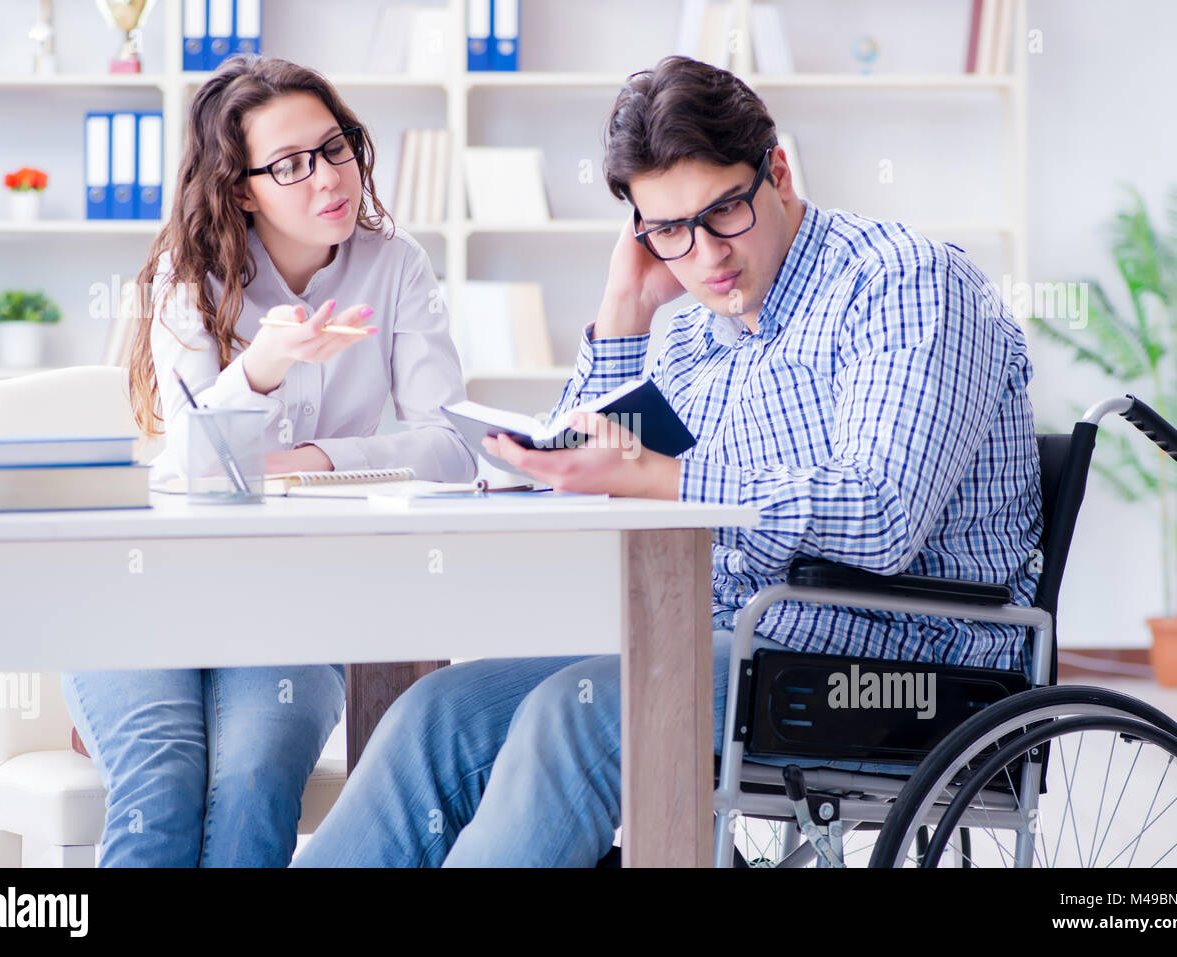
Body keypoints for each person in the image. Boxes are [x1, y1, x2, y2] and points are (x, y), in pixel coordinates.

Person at [291, 55, 1042, 867]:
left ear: (778, 172)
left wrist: (665, 477)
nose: (705, 255)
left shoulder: (907, 285)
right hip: (729, 639)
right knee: (435, 715)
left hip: (903, 665)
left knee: (576, 717)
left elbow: (883, 515)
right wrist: (622, 316)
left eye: (723, 212)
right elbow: (578, 470)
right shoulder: (690, 325)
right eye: (668, 230)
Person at [62, 54, 476, 866]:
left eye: (336, 146)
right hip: (145, 596)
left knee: (253, 779)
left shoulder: (397, 266)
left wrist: (312, 458)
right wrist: (259, 371)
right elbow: (189, 466)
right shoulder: (192, 276)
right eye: (289, 164)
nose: (327, 176)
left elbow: (453, 447)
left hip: (292, 605)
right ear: (242, 186)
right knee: (163, 780)